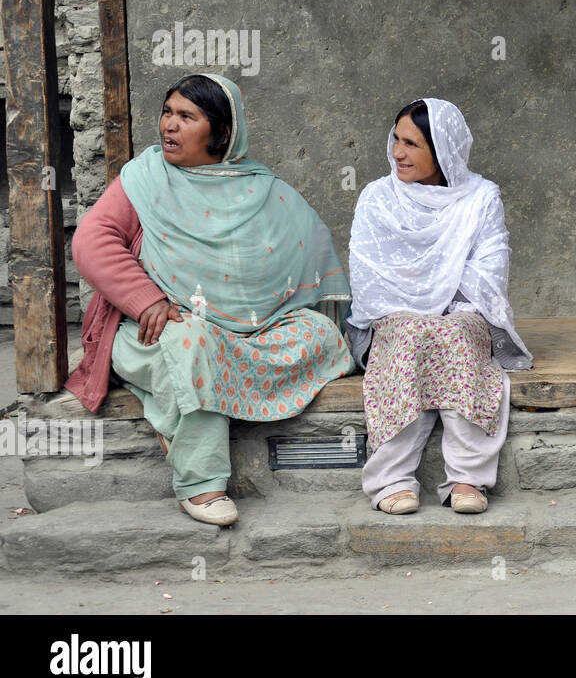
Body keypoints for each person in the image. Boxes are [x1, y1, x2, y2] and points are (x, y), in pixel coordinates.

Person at [64, 73, 353, 526]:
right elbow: (91, 243)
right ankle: (202, 483)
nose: (169, 126)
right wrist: (147, 300)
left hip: (254, 333)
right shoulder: (145, 179)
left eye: (186, 116)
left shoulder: (263, 189)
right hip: (157, 330)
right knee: (194, 346)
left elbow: (306, 244)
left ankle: (184, 410)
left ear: (221, 133)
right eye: (167, 112)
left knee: (323, 335)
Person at [347, 98, 531, 516]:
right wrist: (422, 300)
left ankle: (467, 476)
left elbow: (489, 270)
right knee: (410, 334)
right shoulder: (378, 197)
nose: (397, 152)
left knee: (455, 334)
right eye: (396, 139)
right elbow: (370, 276)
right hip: (391, 317)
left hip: (460, 314)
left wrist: (439, 298)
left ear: (443, 149)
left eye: (411, 143)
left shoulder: (481, 197)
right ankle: (391, 478)